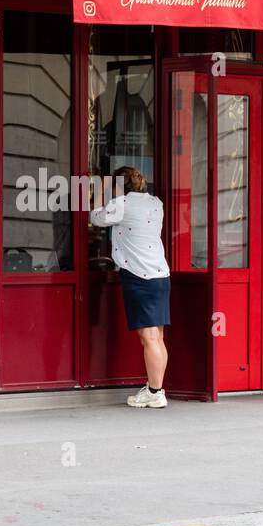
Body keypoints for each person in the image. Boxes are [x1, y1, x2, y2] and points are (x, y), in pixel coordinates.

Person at [89, 166, 170, 409]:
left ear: (118, 186)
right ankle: (156, 387)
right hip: (161, 274)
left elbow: (94, 218)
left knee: (148, 338)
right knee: (158, 336)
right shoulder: (156, 203)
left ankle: (155, 392)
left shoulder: (121, 204)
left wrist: (100, 191)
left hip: (138, 275)